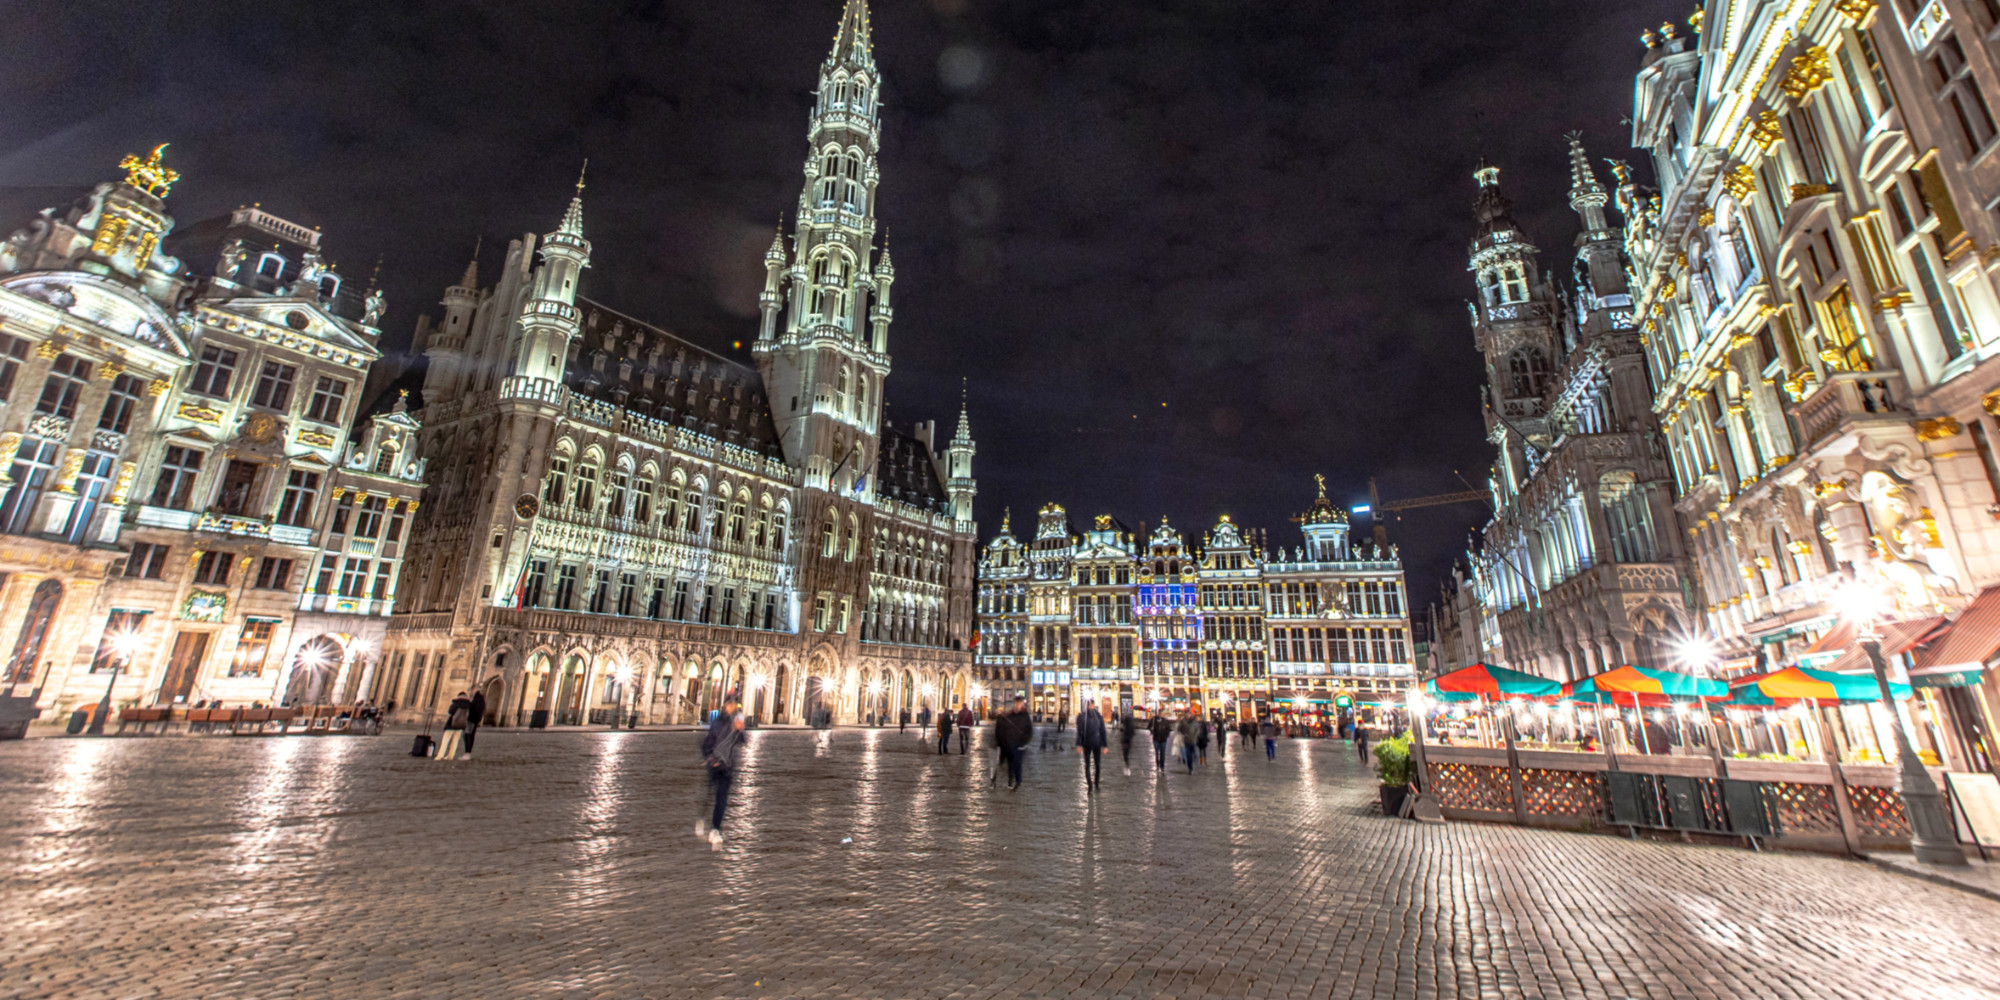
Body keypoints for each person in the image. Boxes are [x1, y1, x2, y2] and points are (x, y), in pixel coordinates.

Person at [697, 696, 747, 847]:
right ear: (726, 705)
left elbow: (743, 741)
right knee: (710, 794)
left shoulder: (737, 721)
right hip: (714, 764)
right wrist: (709, 757)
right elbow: (707, 743)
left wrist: (741, 730)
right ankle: (702, 819)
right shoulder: (718, 722)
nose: (733, 708)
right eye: (731, 705)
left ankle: (715, 829)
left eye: (735, 705)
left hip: (727, 766)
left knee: (721, 799)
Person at [995, 696, 1032, 789]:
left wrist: (1025, 740)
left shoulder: (1024, 715)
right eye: (1017, 703)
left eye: (1020, 703)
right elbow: (1002, 727)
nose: (1018, 705)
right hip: (1010, 742)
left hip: (1020, 743)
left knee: (1017, 762)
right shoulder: (1009, 715)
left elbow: (1029, 729)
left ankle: (1018, 780)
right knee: (1011, 762)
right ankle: (1011, 779)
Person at [1075, 698, 1108, 790]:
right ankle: (1095, 785)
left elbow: (1080, 732)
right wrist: (1105, 745)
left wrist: (1079, 744)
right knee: (1096, 764)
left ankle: (1091, 785)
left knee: (1088, 764)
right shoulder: (1098, 716)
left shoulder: (1083, 717)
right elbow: (1102, 731)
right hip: (1094, 742)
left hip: (1088, 742)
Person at [438, 691, 472, 760]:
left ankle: (440, 755)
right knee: (455, 741)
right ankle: (451, 756)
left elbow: (450, 711)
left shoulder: (456, 703)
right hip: (461, 725)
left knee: (445, 740)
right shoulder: (468, 705)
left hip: (452, 724)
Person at [463, 688, 487, 757]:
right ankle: (468, 751)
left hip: (472, 719)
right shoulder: (480, 698)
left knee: (467, 734)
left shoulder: (478, 698)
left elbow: (476, 709)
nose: (471, 692)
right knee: (470, 735)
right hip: (475, 719)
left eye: (472, 690)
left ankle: (467, 751)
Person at [1118, 707, 1137, 775]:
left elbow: (1125, 734)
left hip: (1125, 742)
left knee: (1125, 755)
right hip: (1128, 742)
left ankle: (1127, 766)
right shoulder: (1130, 726)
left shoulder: (1126, 727)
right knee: (1126, 755)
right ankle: (1127, 766)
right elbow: (1133, 733)